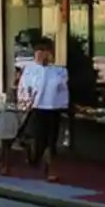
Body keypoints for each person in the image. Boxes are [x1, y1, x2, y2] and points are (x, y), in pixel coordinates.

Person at [18, 37, 69, 182]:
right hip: (36, 108)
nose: (40, 55)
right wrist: (25, 103)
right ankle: (33, 156)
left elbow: (62, 89)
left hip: (53, 108)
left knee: (51, 140)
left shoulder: (59, 71)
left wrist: (63, 105)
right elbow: (24, 88)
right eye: (38, 52)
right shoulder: (30, 70)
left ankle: (51, 168)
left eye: (44, 52)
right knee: (38, 138)